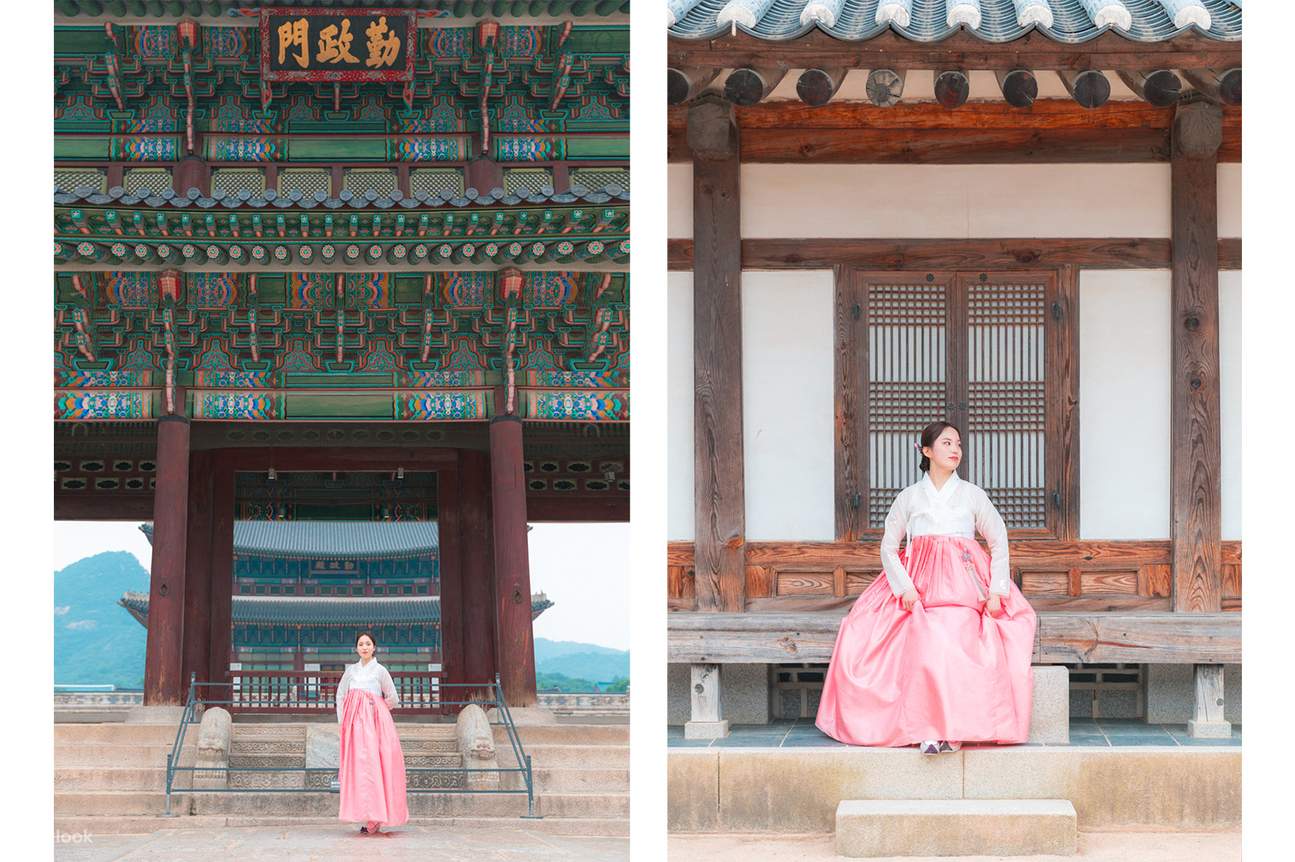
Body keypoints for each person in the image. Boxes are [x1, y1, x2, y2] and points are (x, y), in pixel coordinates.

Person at [815, 421, 1038, 754]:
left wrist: (997, 590)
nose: (955, 450)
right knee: (877, 632)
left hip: (964, 584)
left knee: (954, 638)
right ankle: (930, 730)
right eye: (947, 443)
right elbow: (888, 547)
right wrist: (904, 588)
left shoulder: (972, 495)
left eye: (958, 444)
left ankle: (950, 730)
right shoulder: (909, 497)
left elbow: (998, 539)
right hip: (917, 584)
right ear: (927, 451)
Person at [336, 631, 409, 833]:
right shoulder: (351, 672)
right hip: (355, 729)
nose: (365, 647)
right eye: (361, 644)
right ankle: (366, 815)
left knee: (378, 767)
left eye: (368, 643)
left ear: (374, 647)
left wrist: (377, 708)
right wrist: (343, 722)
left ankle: (377, 816)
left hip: (376, 727)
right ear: (357, 648)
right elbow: (340, 696)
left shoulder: (380, 671)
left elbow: (393, 697)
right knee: (360, 770)